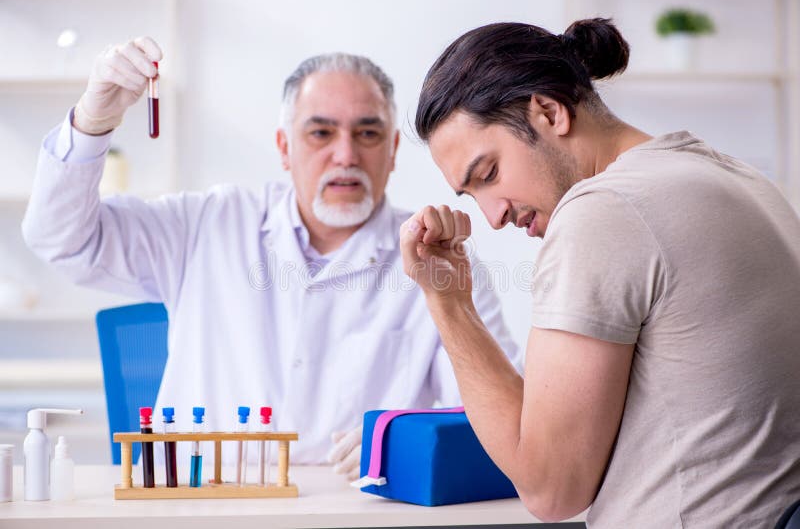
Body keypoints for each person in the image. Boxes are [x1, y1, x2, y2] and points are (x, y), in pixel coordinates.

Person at [21, 37, 520, 479]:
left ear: (392, 151)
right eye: (320, 134)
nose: (345, 155)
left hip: (354, 511)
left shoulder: (437, 258)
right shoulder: (206, 224)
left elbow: (500, 419)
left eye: (367, 134)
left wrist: (399, 439)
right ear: (284, 148)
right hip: (207, 507)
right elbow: (60, 238)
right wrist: (92, 122)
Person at [400, 19, 800, 527]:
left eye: (489, 174)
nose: (492, 216)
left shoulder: (604, 210)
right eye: (470, 194)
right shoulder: (741, 179)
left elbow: (551, 489)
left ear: (547, 111)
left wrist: (449, 303)